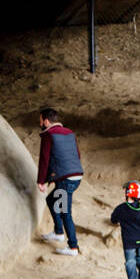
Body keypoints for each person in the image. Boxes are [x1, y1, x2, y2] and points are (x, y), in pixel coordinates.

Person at [37, 107, 84, 257]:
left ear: (45, 121)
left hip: (65, 180)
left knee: (65, 212)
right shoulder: (69, 133)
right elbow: (76, 154)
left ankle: (73, 247)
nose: (39, 123)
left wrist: (41, 181)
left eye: (40, 120)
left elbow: (45, 159)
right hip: (76, 176)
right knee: (51, 200)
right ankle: (58, 232)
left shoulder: (48, 135)